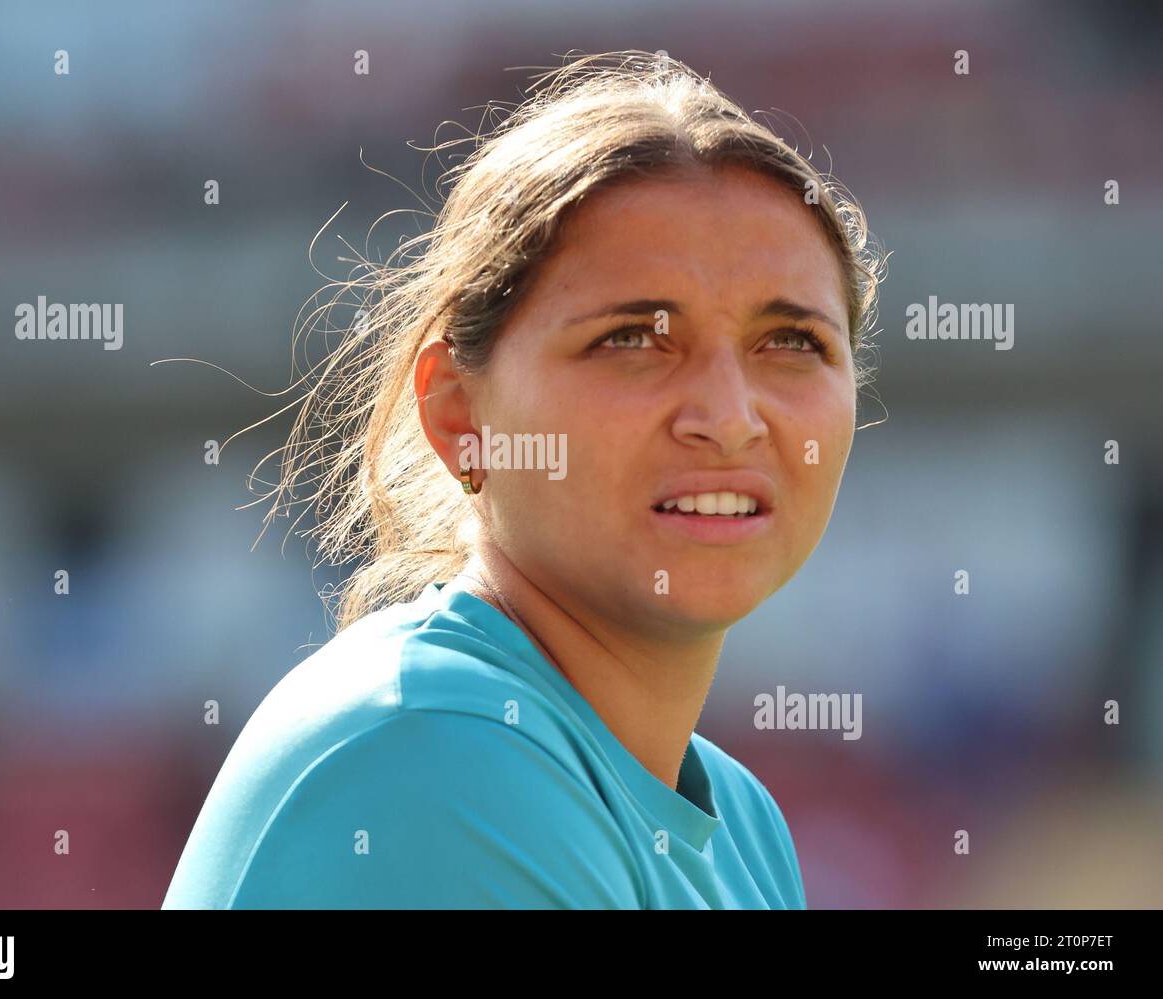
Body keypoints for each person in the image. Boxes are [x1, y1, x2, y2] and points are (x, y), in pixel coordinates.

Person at [163, 49, 886, 909]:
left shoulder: (743, 827)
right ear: (461, 418)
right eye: (632, 338)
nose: (729, 417)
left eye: (793, 342)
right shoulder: (430, 753)